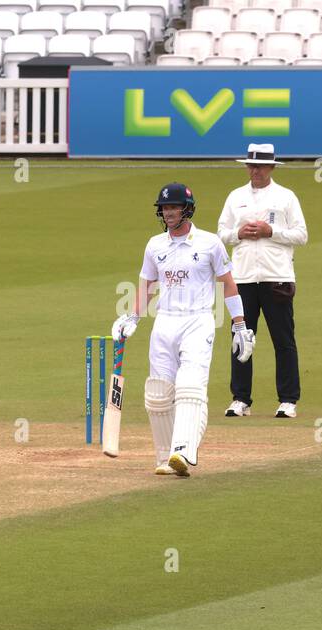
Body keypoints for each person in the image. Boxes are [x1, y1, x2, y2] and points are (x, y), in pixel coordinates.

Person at [111, 184, 254, 477]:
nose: (168, 212)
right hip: (164, 321)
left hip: (198, 320)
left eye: (174, 207)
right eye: (164, 208)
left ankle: (184, 451)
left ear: (187, 209)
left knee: (190, 386)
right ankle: (167, 458)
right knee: (158, 393)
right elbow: (147, 285)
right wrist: (133, 317)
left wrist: (239, 325)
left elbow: (228, 284)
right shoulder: (155, 245)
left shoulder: (210, 243)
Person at [216, 143, 308, 419]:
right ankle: (240, 399)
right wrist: (238, 233)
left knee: (283, 339)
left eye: (260, 166)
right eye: (251, 165)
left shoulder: (286, 197)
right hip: (242, 277)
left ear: (271, 167)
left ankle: (288, 400)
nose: (255, 170)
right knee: (241, 338)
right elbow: (220, 235)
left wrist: (271, 231)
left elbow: (301, 235)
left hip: (277, 276)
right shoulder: (235, 197)